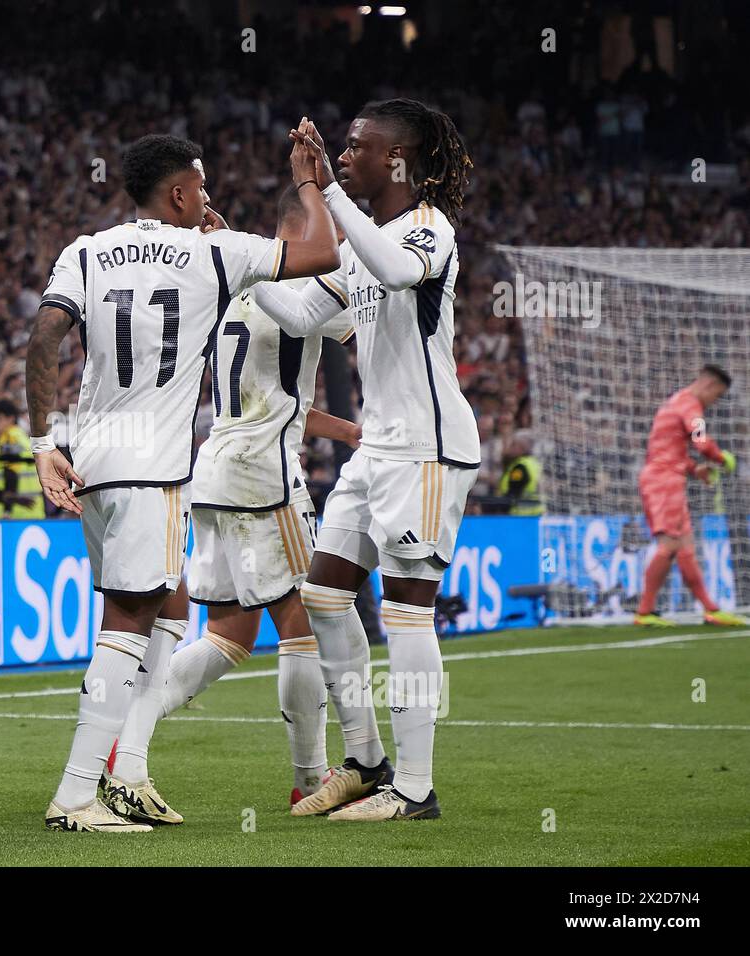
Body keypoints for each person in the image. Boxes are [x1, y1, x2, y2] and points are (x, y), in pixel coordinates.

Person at [26, 129, 342, 832]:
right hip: (157, 469)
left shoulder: (84, 249)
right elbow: (324, 252)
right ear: (178, 193)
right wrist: (309, 180)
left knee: (170, 609)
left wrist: (42, 441)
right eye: (200, 187)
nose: (208, 198)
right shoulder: (213, 251)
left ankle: (130, 770)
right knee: (130, 621)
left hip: (94, 460)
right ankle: (79, 793)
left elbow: (45, 335)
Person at [104, 186, 361, 823]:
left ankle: (123, 740)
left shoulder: (225, 291)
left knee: (229, 633)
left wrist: (347, 432)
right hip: (263, 476)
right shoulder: (312, 291)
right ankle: (309, 779)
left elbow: (269, 393)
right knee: (301, 627)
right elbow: (333, 324)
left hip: (214, 470)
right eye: (330, 229)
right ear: (304, 233)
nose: (342, 245)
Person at [253, 102, 479, 822]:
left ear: (399, 161)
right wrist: (227, 247)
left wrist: (328, 192)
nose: (345, 155)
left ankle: (414, 790)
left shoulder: (427, 229)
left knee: (408, 611)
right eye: (342, 147)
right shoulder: (362, 244)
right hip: (375, 448)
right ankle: (368, 762)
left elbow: (392, 268)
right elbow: (296, 317)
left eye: (359, 147)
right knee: (323, 596)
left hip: (428, 448)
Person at [634, 365, 745, 627]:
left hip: (666, 477)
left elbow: (669, 450)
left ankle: (710, 609)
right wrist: (721, 458)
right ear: (709, 385)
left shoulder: (675, 402)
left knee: (685, 548)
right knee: (671, 545)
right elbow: (701, 441)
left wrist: (696, 469)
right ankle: (644, 611)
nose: (713, 401)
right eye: (716, 395)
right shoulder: (689, 405)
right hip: (664, 482)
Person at [0, 397, 44, 518]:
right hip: (32, 509)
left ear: (11, 418)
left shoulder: (9, 437)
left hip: (14, 513)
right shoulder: (22, 436)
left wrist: (7, 510)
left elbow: (11, 472)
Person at [497, 435, 543, 516]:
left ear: (522, 448)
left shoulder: (520, 467)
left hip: (521, 514)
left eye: (513, 445)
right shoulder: (533, 462)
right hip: (537, 511)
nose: (510, 448)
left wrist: (500, 508)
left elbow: (514, 491)